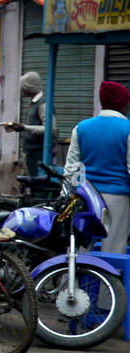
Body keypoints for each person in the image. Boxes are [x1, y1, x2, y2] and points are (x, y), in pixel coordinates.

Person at [65, 81, 130, 254]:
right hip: (118, 198)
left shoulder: (82, 128)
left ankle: (76, 280)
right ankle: (108, 281)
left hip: (87, 197)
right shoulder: (128, 129)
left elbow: (71, 168)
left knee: (82, 249)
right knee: (113, 250)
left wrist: (74, 194)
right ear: (123, 103)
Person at [3, 71, 46, 177]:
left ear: (29, 87)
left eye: (23, 86)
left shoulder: (43, 103)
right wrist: (18, 128)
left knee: (37, 184)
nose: (21, 89)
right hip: (30, 153)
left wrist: (25, 127)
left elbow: (49, 129)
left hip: (37, 153)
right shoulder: (34, 102)